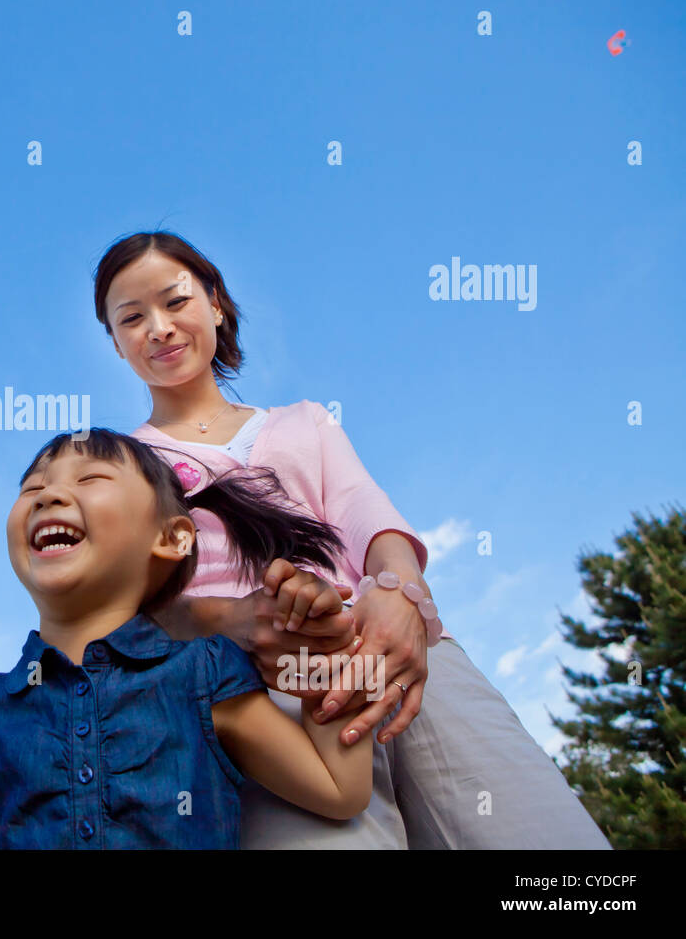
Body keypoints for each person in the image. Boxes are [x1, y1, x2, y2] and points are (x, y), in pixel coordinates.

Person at [95, 229, 611, 848]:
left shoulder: (305, 420)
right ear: (117, 344)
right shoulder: (123, 463)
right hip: (266, 680)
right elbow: (122, 600)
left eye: (176, 301)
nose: (160, 327)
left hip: (400, 646)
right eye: (132, 318)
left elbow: (359, 505)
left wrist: (402, 594)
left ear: (216, 304)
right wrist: (226, 619)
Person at [0, 428, 375, 848]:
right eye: (33, 487)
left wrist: (317, 660)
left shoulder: (204, 673)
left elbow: (337, 789)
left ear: (172, 538)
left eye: (89, 480)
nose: (48, 496)